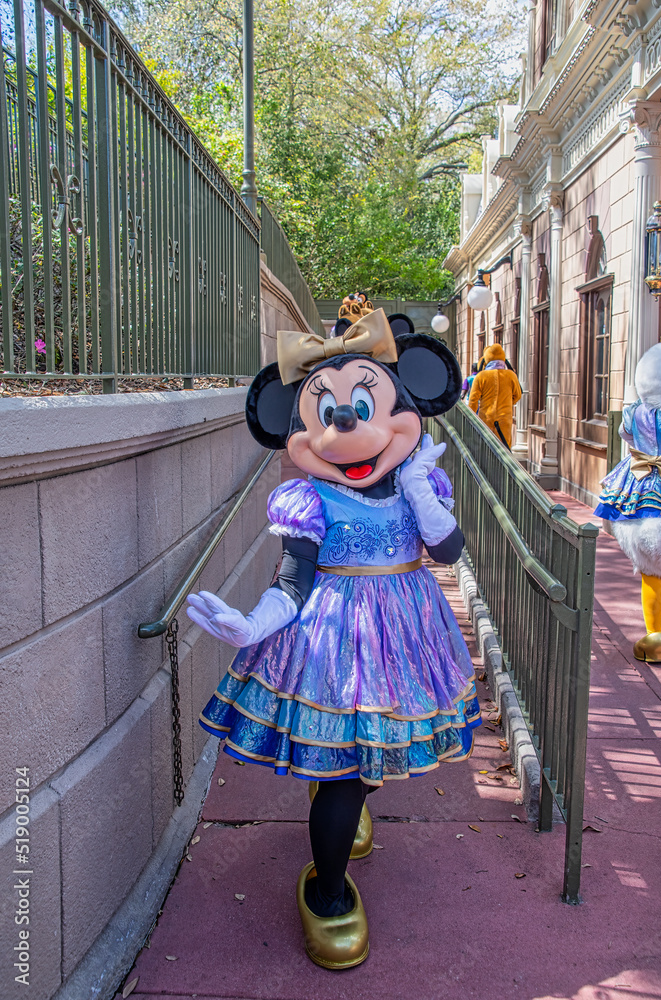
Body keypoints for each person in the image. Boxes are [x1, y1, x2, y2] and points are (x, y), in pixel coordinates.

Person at [187, 307, 481, 970]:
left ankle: (342, 799)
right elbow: (292, 583)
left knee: (372, 763)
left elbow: (448, 551)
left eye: (363, 403)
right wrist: (251, 623)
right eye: (326, 412)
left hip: (407, 634)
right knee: (347, 768)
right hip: (330, 642)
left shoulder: (416, 484)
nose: (346, 422)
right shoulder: (309, 500)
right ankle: (324, 892)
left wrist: (419, 492)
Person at [595, 332, 661, 663]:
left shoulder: (634, 412)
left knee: (651, 570)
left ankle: (654, 637)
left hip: (640, 489)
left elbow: (625, 434)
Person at [468, 343, 522, 448]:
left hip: (486, 419)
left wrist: (471, 418)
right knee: (504, 449)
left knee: (486, 448)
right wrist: (508, 402)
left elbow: (473, 401)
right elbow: (518, 395)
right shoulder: (511, 375)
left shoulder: (481, 376)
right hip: (504, 419)